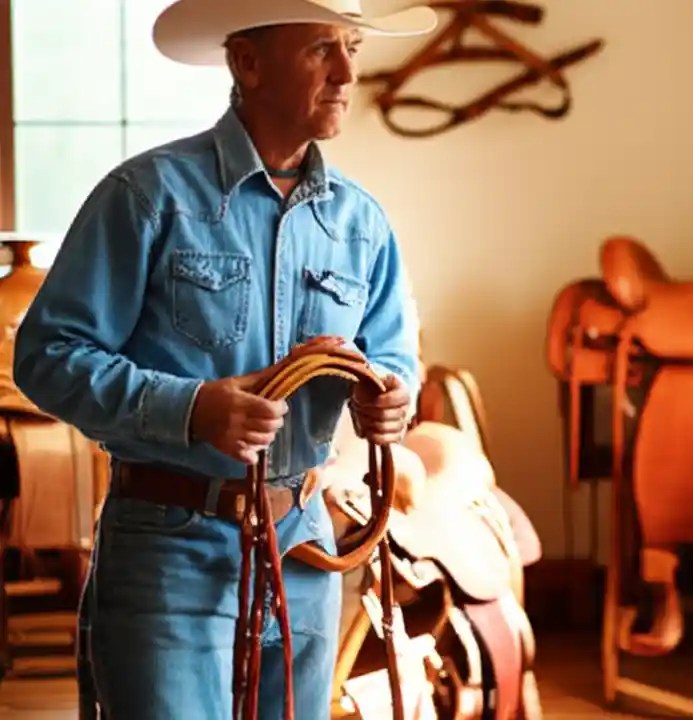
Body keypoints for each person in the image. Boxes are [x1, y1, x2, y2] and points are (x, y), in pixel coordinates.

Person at [11, 1, 439, 717]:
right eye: (319, 51)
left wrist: (393, 393)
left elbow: (393, 352)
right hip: (168, 548)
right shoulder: (146, 197)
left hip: (303, 545)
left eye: (352, 47)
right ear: (247, 63)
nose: (346, 73)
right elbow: (48, 355)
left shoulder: (361, 223)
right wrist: (192, 409)